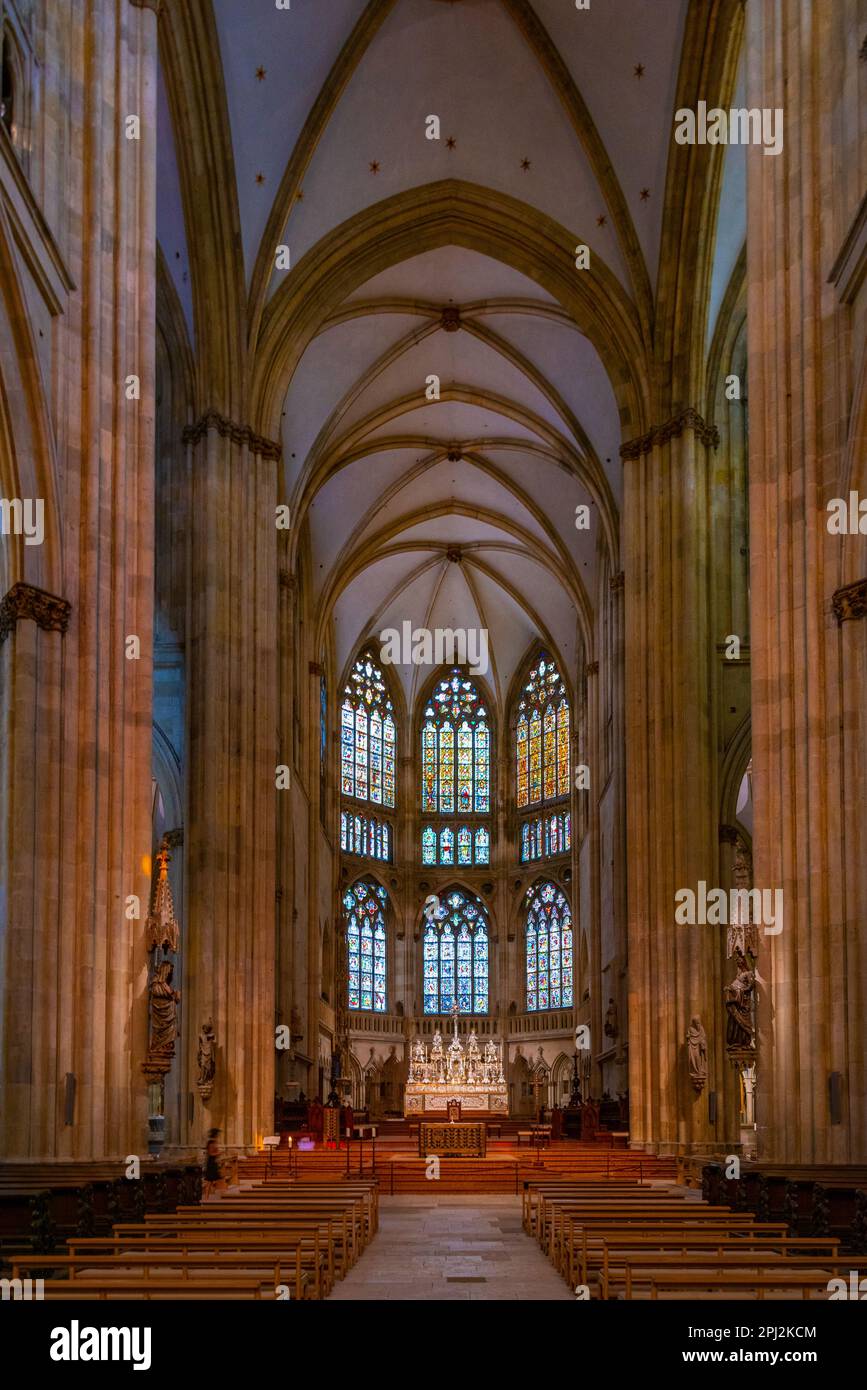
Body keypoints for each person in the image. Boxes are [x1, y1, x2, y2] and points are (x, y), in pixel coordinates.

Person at [203, 1127, 226, 1199]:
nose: (218, 1137)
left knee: (219, 1180)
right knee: (210, 1182)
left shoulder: (213, 1142)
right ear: (215, 1136)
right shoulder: (211, 1143)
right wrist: (220, 1153)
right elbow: (211, 1153)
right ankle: (207, 1198)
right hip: (211, 1164)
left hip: (213, 1163)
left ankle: (222, 1195)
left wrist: (218, 1153)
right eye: (217, 1135)